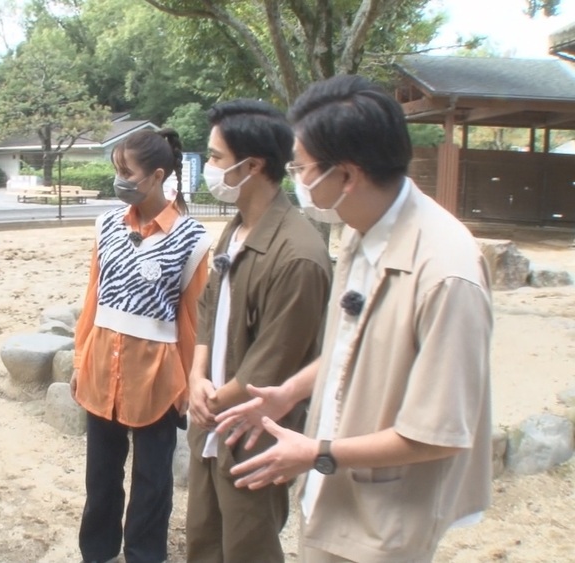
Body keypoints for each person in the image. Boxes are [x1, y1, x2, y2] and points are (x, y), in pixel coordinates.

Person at [215, 75, 493, 563]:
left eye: (302, 168)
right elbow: (352, 346)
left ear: (346, 175)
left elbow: (435, 434)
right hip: (332, 496)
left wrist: (317, 453)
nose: (296, 180)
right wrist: (289, 392)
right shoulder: (361, 232)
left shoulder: (447, 274)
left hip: (384, 520)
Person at [184, 100, 332, 562]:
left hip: (253, 436)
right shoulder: (235, 230)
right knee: (204, 541)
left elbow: (275, 361)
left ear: (252, 166)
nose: (207, 167)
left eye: (214, 158)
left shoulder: (300, 254)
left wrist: (213, 400)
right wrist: (195, 376)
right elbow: (208, 306)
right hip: (213, 422)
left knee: (249, 548)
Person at [70, 128, 213, 563]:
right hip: (100, 367)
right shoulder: (106, 224)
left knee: (153, 481)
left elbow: (193, 319)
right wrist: (80, 358)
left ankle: (145, 555)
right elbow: (93, 298)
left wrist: (190, 381)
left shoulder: (193, 239)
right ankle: (97, 553)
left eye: (125, 172)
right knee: (101, 476)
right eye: (117, 170)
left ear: (155, 175)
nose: (119, 179)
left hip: (157, 378)